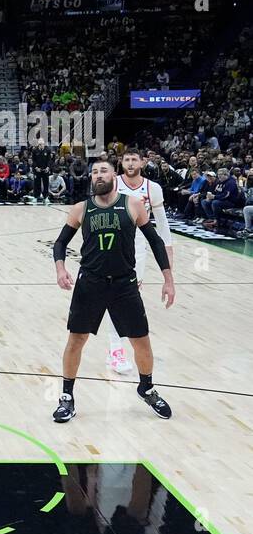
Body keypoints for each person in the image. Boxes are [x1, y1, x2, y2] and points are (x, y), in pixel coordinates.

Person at [51, 159, 176, 424]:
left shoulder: (133, 205)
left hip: (124, 283)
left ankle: (147, 388)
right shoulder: (81, 209)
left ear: (113, 176)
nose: (98, 175)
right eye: (94, 171)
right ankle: (67, 397)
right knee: (76, 340)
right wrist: (60, 269)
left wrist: (168, 278)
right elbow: (60, 243)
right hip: (90, 283)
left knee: (141, 340)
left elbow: (155, 241)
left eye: (103, 170)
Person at [105, 149, 174, 374]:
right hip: (112, 246)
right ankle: (115, 350)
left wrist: (168, 266)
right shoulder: (111, 183)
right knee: (114, 298)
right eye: (127, 159)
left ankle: (123, 347)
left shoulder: (152, 188)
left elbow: (162, 226)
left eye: (135, 159)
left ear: (142, 162)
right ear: (121, 163)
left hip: (138, 247)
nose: (131, 163)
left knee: (130, 299)